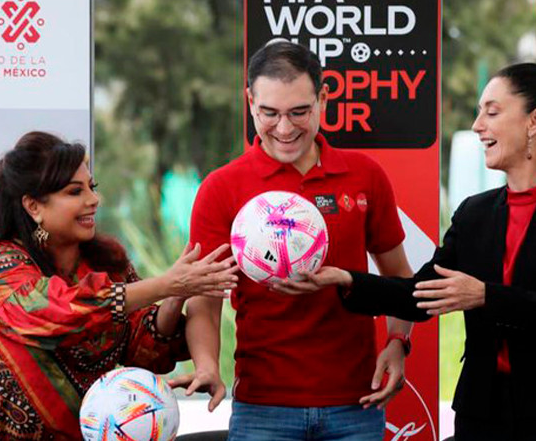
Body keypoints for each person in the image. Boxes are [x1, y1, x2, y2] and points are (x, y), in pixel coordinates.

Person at [278, 63, 536, 441]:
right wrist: (344, 279)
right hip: (482, 411)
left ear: (535, 120)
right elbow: (417, 295)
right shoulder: (474, 212)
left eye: (491, 112)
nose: (477, 125)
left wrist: (484, 296)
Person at [176, 41, 414, 440]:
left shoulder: (364, 176)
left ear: (322, 98)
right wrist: (206, 365)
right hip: (262, 409)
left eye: (299, 112)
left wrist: (397, 341)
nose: (284, 129)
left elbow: (400, 279)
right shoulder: (222, 187)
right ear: (250, 101)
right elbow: (204, 297)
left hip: (356, 405)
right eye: (269, 113)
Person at [0, 131, 239, 440]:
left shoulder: (107, 261)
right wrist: (167, 285)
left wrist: (176, 294)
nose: (93, 200)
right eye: (75, 192)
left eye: (92, 187)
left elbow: (143, 350)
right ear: (34, 206)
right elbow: (55, 312)